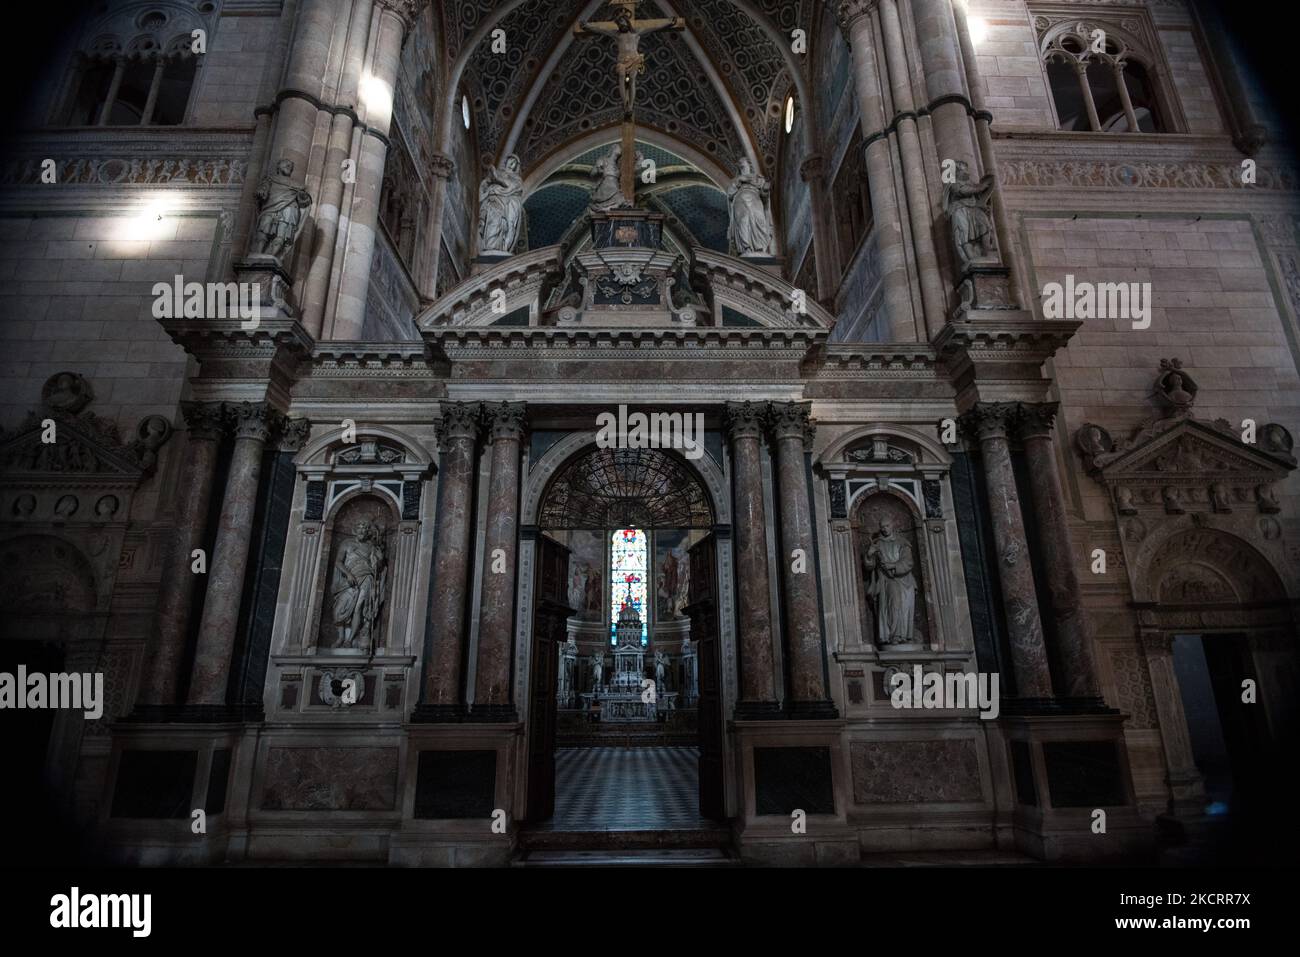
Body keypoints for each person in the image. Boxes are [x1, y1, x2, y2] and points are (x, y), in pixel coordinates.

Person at [477, 154, 524, 254]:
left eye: (514, 163)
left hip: (510, 204)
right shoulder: (498, 173)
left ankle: (504, 248)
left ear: (516, 166)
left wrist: (497, 178)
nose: (511, 164)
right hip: (495, 201)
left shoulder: (517, 178)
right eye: (510, 161)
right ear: (506, 161)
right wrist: (486, 187)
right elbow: (485, 184)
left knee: (508, 225)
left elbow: (513, 186)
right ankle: (491, 248)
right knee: (493, 223)